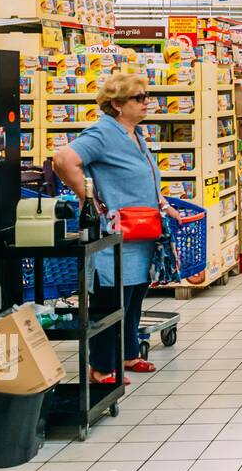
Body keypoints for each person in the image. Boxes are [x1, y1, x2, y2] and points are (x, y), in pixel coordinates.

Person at [53, 72, 187, 386]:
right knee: (111, 297)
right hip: (116, 233)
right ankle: (100, 367)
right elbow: (63, 160)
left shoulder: (135, 134)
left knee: (135, 294)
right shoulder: (102, 133)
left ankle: (127, 354)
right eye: (139, 98)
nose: (146, 103)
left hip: (142, 230)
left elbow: (143, 178)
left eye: (147, 96)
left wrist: (165, 205)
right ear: (116, 104)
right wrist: (89, 199)